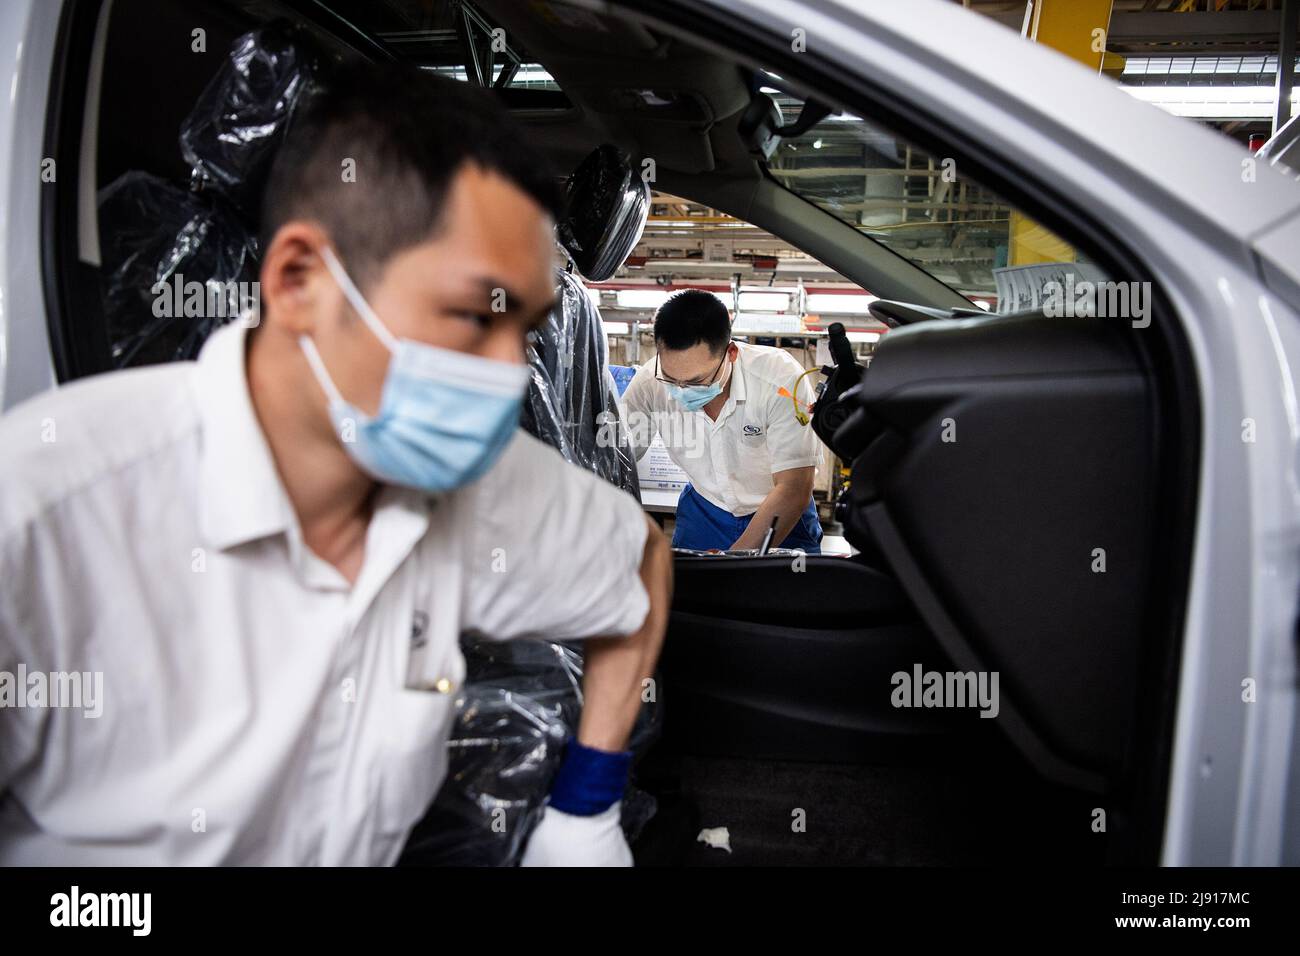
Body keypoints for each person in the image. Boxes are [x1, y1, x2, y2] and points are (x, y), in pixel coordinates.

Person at [0, 65, 671, 866]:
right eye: (470, 314)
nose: (510, 372)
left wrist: (586, 811)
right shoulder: (42, 518)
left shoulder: (476, 487)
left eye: (523, 327)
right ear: (298, 282)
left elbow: (637, 564)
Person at [622, 289, 824, 553]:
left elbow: (793, 487)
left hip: (781, 510)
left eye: (696, 381)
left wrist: (733, 563)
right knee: (690, 591)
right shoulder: (649, 381)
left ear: (731, 353)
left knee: (785, 589)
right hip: (704, 509)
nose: (682, 390)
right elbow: (613, 455)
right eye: (671, 379)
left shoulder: (779, 379)